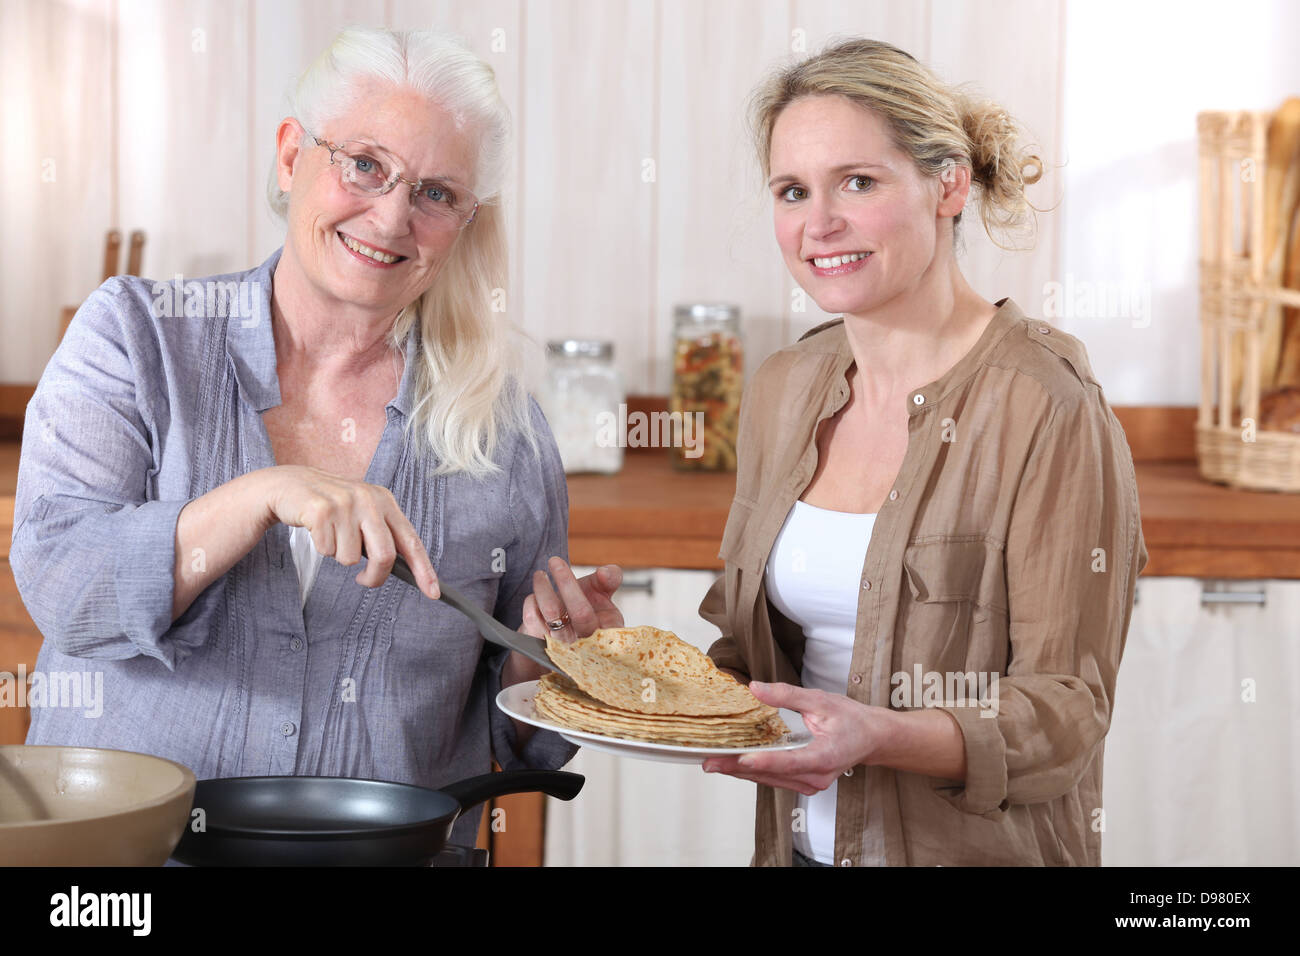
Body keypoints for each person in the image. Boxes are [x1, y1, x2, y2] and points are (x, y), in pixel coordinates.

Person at [10, 26, 622, 852]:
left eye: (437, 193)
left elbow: (515, 736)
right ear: (292, 155)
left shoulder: (502, 429)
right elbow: (66, 589)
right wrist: (257, 498)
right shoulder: (136, 337)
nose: (393, 214)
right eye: (364, 164)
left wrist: (544, 663)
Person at [698, 37, 1148, 866]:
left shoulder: (1044, 404)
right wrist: (612, 661)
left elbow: (1067, 712)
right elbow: (751, 659)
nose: (818, 224)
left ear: (949, 185)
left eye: (858, 182)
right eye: (792, 191)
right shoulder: (784, 389)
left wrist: (883, 736)